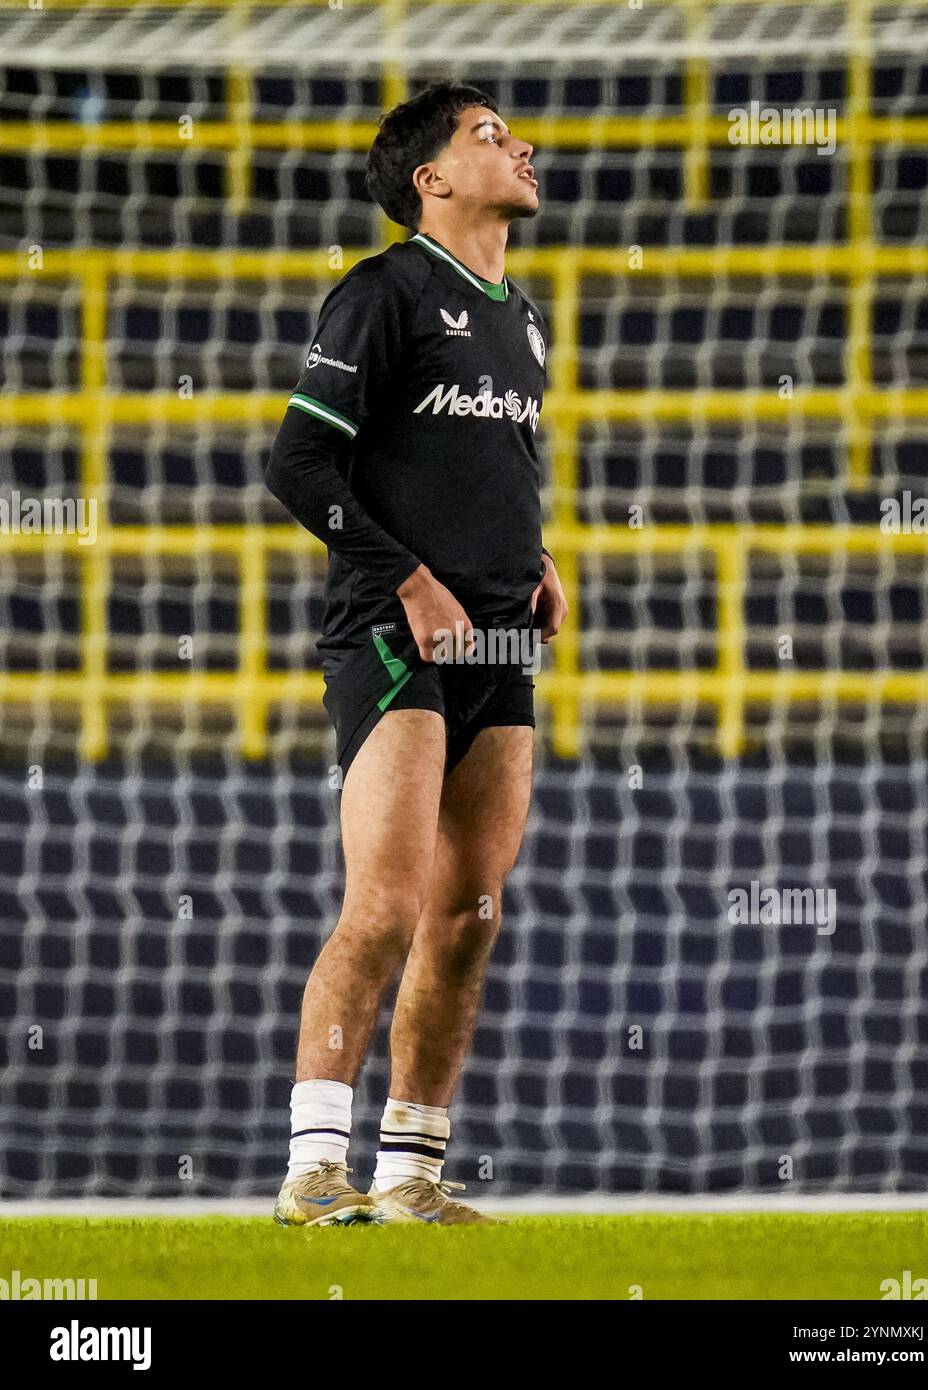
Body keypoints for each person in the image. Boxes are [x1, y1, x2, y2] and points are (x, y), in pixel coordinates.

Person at [265, 82, 567, 1226]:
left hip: (497, 633)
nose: (518, 145)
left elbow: (488, 463)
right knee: (384, 905)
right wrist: (409, 577)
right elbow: (298, 466)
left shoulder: (522, 315)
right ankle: (311, 1171)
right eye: (489, 136)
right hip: (392, 628)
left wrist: (532, 560)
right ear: (430, 180)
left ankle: (410, 1178)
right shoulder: (382, 293)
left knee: (467, 910)